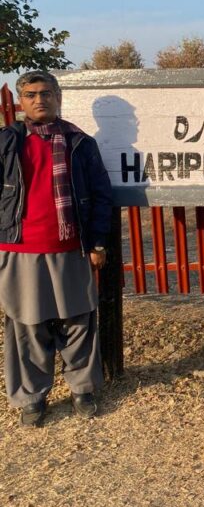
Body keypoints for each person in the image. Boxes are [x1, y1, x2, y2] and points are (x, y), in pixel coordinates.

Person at [0, 70, 113, 427]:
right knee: (28, 325)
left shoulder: (80, 143)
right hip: (20, 247)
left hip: (71, 247)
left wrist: (97, 241)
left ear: (58, 97)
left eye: (46, 93)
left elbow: (101, 196)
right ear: (22, 101)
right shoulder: (7, 142)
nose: (39, 100)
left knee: (78, 320)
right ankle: (32, 396)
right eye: (31, 94)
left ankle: (82, 389)